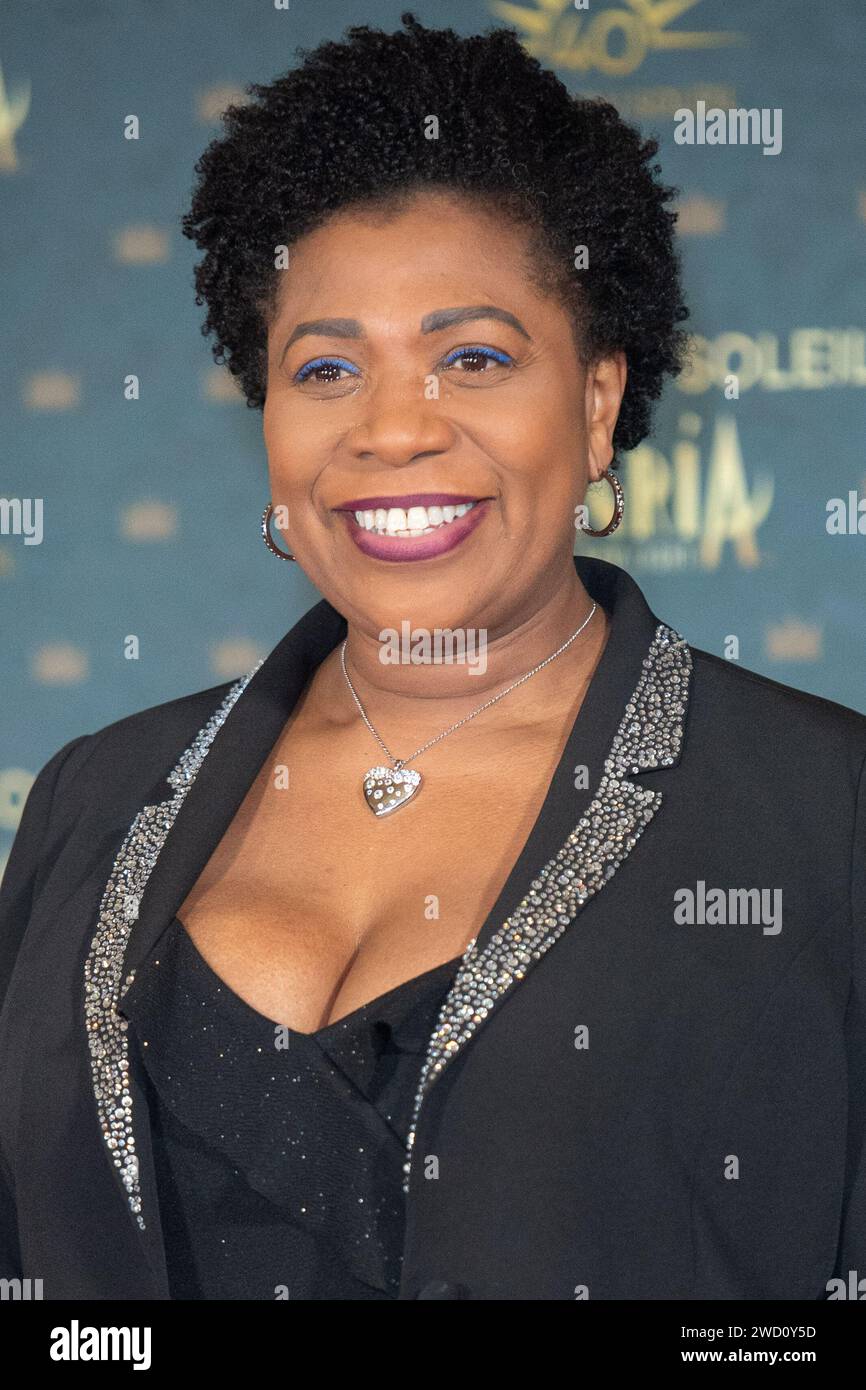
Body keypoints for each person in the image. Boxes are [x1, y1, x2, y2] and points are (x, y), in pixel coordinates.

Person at [1, 12, 864, 1301]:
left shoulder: (824, 813)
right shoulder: (93, 797)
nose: (392, 431)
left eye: (472, 358)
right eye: (327, 367)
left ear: (596, 403)